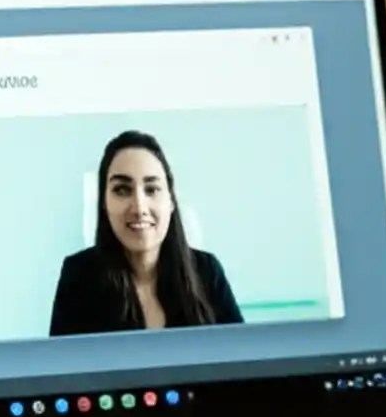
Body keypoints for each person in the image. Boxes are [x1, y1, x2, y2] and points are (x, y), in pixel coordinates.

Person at [49, 130, 244, 336]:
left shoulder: (206, 272)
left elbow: (244, 360)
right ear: (104, 203)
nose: (139, 207)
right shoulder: (79, 276)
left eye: (151, 189)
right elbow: (61, 365)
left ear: (171, 201)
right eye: (122, 190)